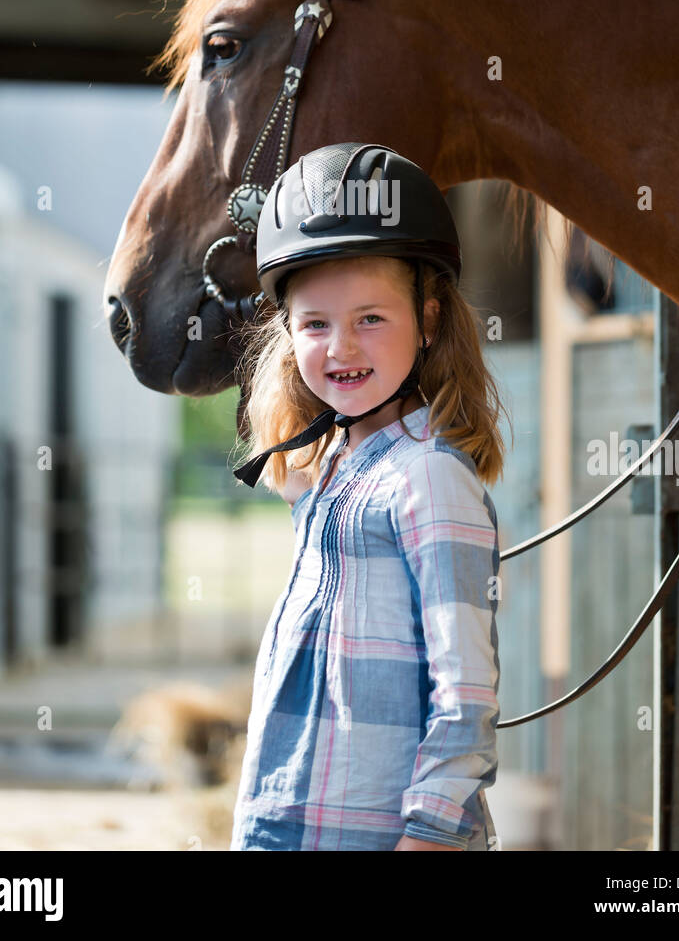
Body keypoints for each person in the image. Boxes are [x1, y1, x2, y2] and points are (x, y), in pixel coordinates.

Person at [228, 142, 510, 852]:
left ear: (430, 320)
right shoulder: (332, 466)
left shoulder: (428, 477)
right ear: (287, 335)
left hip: (379, 834)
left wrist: (432, 830)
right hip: (288, 822)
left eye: (371, 319)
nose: (341, 347)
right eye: (315, 324)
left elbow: (465, 690)